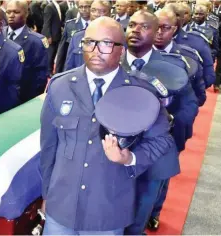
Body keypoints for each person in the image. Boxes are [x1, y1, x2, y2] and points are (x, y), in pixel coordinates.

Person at [40, 16, 174, 235]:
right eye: (89, 42)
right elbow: (48, 148)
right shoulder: (60, 86)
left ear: (121, 50)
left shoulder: (141, 93)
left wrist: (129, 158)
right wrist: (47, 194)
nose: (95, 50)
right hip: (62, 205)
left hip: (107, 209)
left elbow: (162, 140)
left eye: (106, 43)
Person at [121, 10, 198, 235]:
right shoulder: (110, 59)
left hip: (154, 154)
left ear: (156, 32)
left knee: (139, 217)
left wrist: (169, 126)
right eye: (131, 25)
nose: (135, 30)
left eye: (144, 26)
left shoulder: (173, 65)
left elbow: (189, 105)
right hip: (114, 153)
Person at [4, 0, 48, 103]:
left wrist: (31, 101)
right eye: (8, 12)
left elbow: (40, 77)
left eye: (16, 12)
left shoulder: (36, 41)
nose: (11, 15)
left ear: (26, 13)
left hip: (22, 96)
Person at [166, 3, 215, 89]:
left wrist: (195, 93)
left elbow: (208, 74)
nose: (173, 17)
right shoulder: (150, 39)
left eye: (177, 15)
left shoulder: (197, 40)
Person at [64, 0, 112, 71]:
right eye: (93, 10)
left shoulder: (117, 37)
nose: (97, 14)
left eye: (102, 11)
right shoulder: (77, 37)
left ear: (109, 14)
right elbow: (69, 66)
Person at [54, 0, 92, 73]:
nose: (83, 9)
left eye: (87, 6)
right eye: (81, 7)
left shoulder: (97, 26)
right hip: (75, 68)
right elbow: (62, 50)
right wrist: (58, 71)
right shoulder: (70, 25)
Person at [41, 0, 63, 75]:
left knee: (53, 54)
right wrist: (47, 36)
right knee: (49, 55)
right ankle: (48, 71)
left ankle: (49, 70)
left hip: (57, 35)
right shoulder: (49, 7)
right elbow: (46, 22)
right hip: (51, 36)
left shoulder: (57, 6)